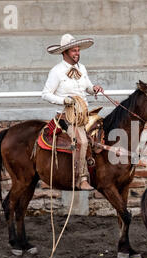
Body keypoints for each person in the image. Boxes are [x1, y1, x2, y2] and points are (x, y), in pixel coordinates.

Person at [42, 34, 104, 191]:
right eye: (73, 51)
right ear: (65, 53)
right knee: (82, 142)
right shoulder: (56, 71)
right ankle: (80, 178)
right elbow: (45, 94)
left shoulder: (81, 68)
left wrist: (93, 89)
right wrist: (64, 101)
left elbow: (87, 87)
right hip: (67, 117)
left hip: (84, 115)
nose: (77, 53)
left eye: (78, 50)